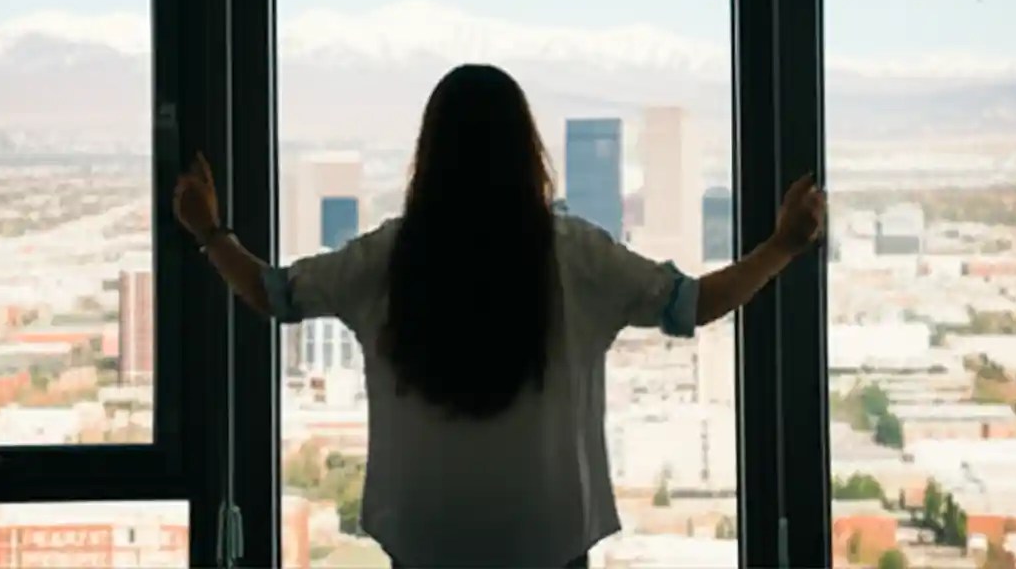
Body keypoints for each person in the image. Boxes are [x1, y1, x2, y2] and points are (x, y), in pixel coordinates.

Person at [174, 64, 825, 569]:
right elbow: (693, 303)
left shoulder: (386, 258)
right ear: (526, 152)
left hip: (424, 539)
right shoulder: (575, 254)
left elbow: (275, 294)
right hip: (548, 538)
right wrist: (783, 245)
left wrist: (209, 231)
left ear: (429, 154)